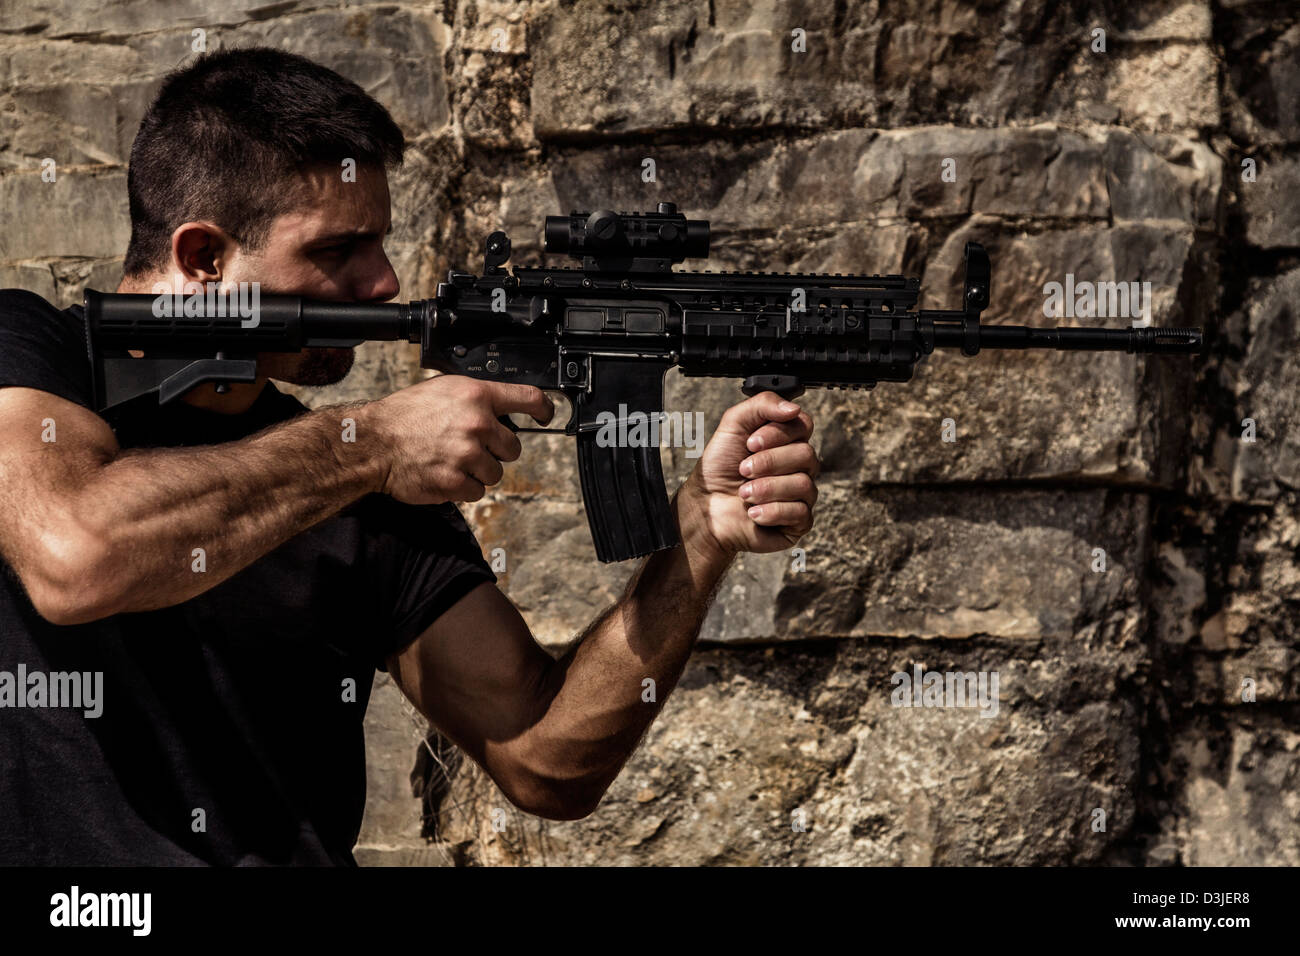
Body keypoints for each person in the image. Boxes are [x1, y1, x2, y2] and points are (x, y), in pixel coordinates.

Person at [0, 47, 819, 865]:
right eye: (337, 251)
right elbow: (77, 556)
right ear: (204, 257)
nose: (386, 281)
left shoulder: (355, 487)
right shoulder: (30, 353)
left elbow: (545, 762)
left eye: (381, 244)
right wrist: (376, 442)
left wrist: (700, 538)